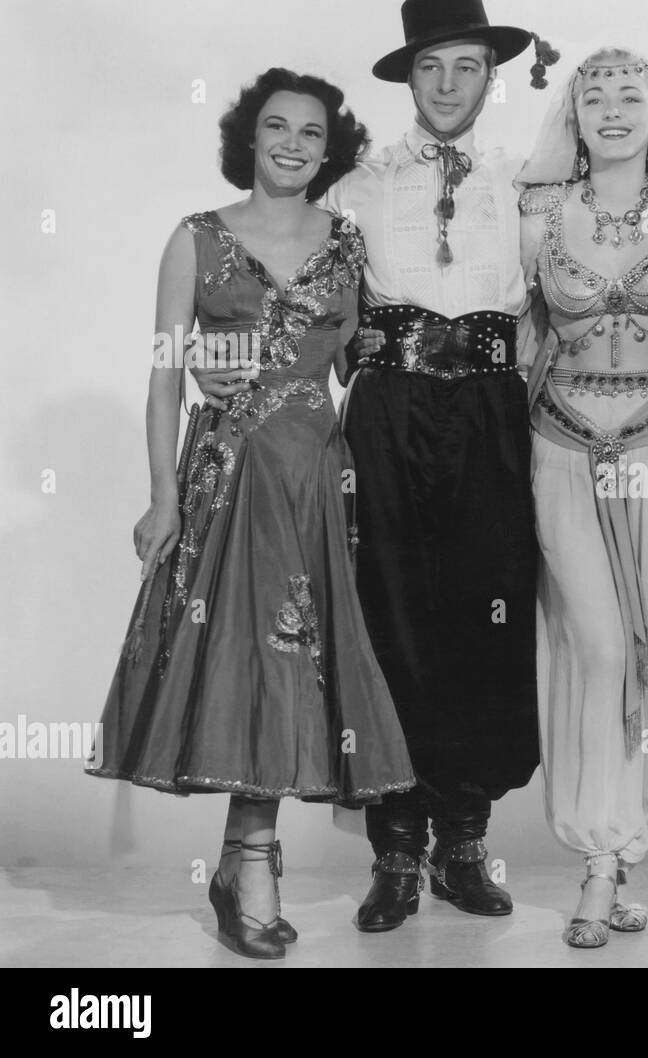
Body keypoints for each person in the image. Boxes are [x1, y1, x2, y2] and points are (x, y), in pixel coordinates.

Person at [197, 0, 560, 929]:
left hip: (489, 409)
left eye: (467, 67)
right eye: (432, 67)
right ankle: (396, 850)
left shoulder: (527, 184)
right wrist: (222, 357)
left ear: (491, 76)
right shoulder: (355, 189)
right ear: (408, 77)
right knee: (387, 610)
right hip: (388, 411)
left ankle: (466, 840)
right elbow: (296, 295)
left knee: (488, 607)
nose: (449, 86)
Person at [87, 68, 416, 961]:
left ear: (330, 148)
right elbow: (161, 372)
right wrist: (161, 495)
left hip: (314, 478)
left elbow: (367, 372)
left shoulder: (351, 245)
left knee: (292, 658)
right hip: (226, 475)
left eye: (313, 133)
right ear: (249, 135)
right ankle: (253, 863)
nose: (294, 144)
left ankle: (248, 861)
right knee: (244, 658)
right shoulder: (194, 238)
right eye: (278, 127)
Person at [515, 48, 648, 948]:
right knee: (594, 646)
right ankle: (595, 847)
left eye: (634, 94)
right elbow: (507, 331)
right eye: (597, 96)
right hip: (561, 446)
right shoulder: (538, 212)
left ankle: (616, 861)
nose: (616, 109)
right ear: (576, 118)